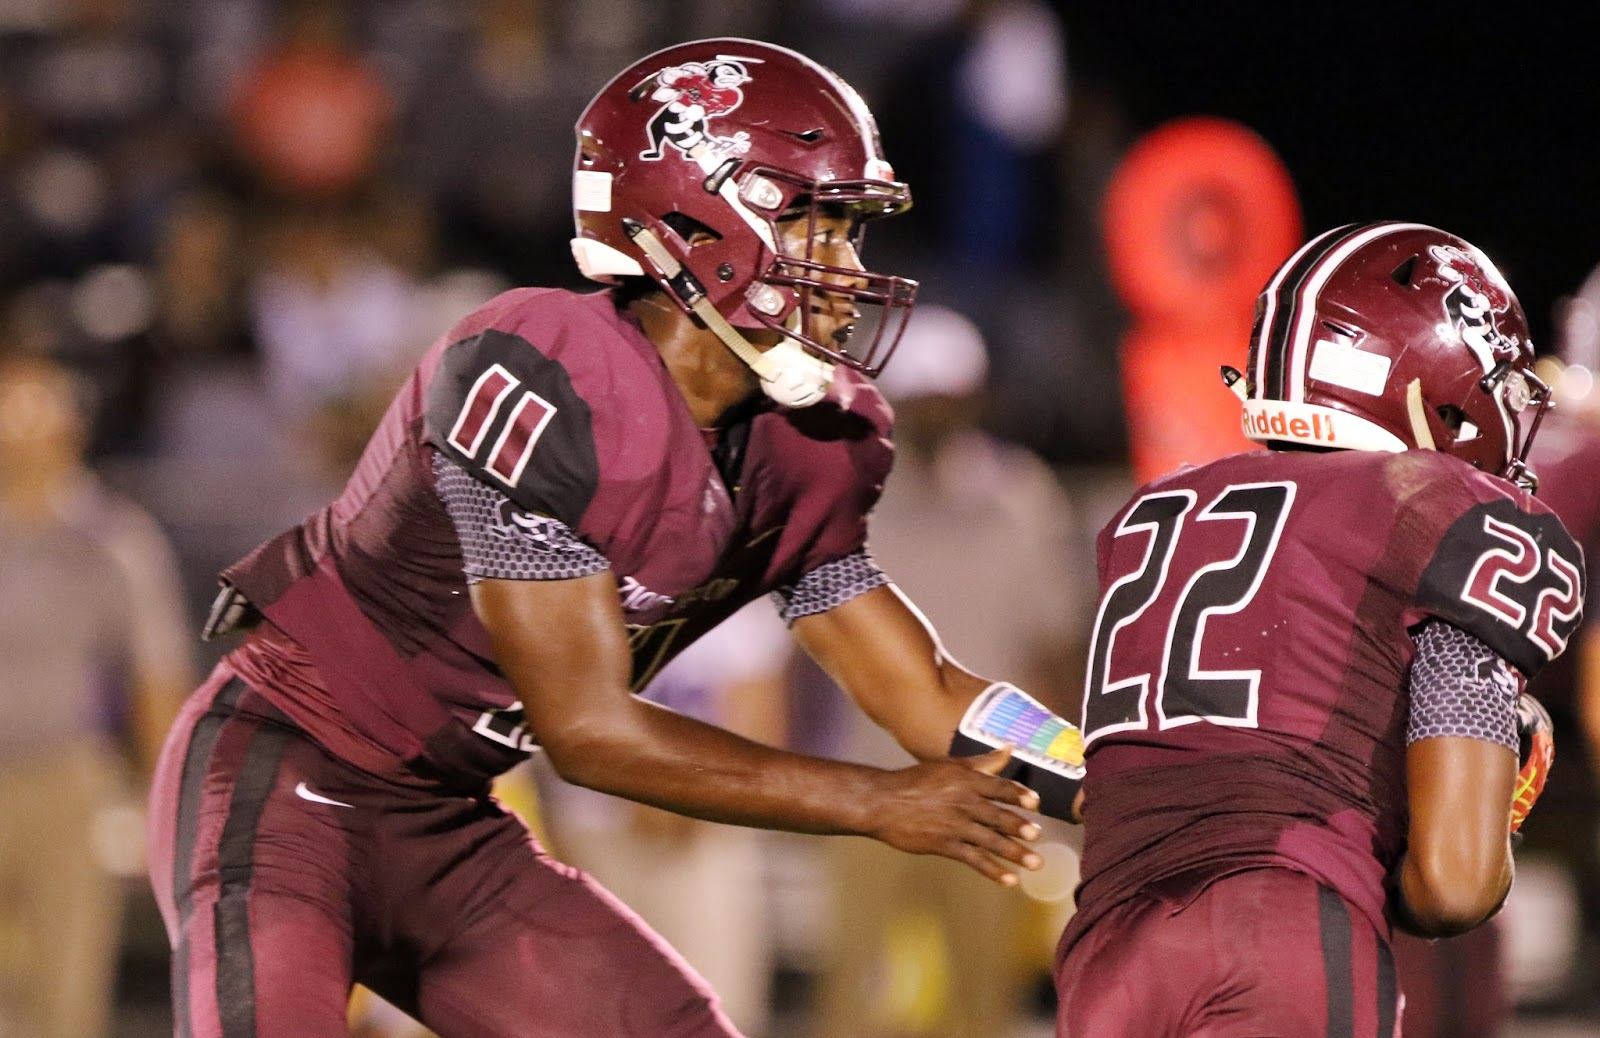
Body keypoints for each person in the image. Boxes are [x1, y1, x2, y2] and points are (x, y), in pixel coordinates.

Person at [146, 37, 1081, 1038]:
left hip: (447, 825)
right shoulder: (540, 368)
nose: (847, 268)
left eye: (849, 232)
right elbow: (587, 729)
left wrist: (1108, 782)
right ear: (697, 219)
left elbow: (930, 693)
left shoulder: (802, 440)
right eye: (817, 224)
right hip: (285, 782)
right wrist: (876, 803)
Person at [1055, 221, 1581, 1037]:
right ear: (1440, 380)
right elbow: (1455, 884)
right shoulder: (1441, 511)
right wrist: (1478, 811)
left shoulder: (1153, 512)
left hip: (1109, 943)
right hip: (1284, 925)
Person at [0, 349, 194, 1038]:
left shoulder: (114, 538)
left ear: (69, 429)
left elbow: (155, 675)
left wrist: (156, 806)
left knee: (64, 997)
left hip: (66, 779)